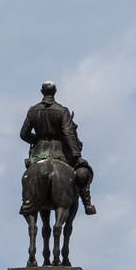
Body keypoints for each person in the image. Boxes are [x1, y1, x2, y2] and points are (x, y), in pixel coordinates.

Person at [20, 81, 96, 215]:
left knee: (28, 177)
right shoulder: (62, 111)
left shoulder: (33, 111)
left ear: (42, 92)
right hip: (60, 154)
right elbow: (68, 133)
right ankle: (88, 204)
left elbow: (24, 134)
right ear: (55, 92)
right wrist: (77, 155)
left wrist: (38, 140)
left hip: (38, 155)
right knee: (83, 171)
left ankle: (26, 201)